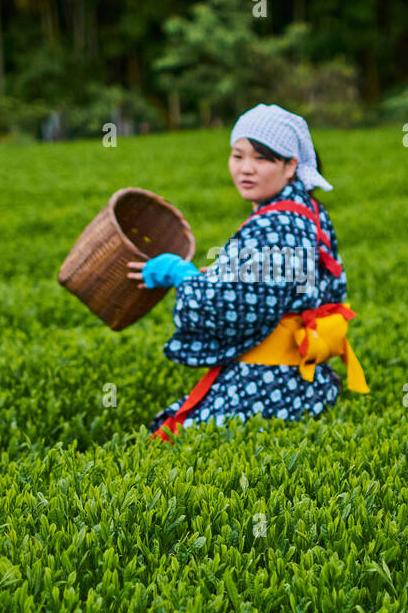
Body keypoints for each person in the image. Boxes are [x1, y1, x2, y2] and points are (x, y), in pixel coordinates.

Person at [129, 104, 367, 441]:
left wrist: (182, 275)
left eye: (262, 159)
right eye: (237, 156)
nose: (246, 169)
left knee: (166, 436)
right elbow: (276, 285)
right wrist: (223, 272)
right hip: (305, 379)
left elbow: (235, 307)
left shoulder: (277, 224)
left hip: (271, 382)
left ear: (290, 167)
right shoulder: (305, 210)